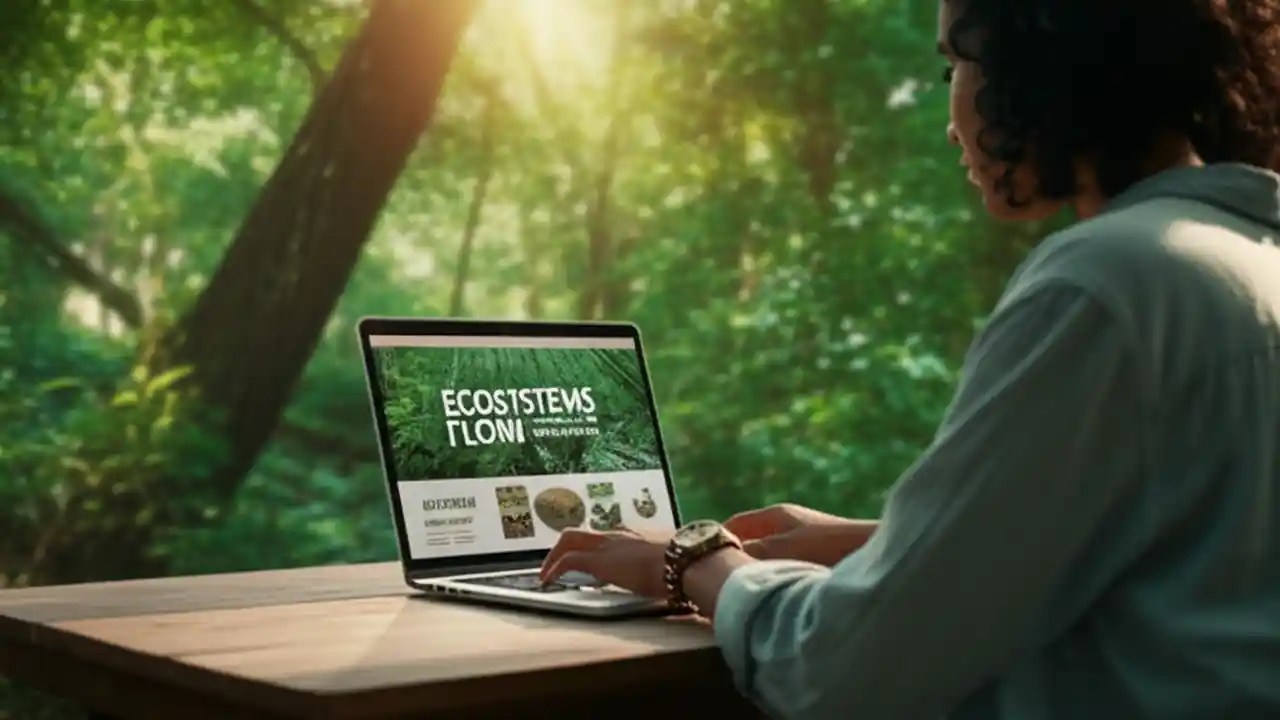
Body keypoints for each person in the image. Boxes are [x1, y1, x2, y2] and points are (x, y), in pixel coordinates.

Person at [542, 0, 1280, 717]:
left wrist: (693, 561)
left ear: (1042, 57)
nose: (952, 118)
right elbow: (1185, 556)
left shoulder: (1107, 285)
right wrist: (891, 546)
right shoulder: (1247, 264)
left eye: (955, 63)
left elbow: (843, 672)